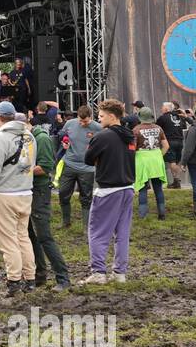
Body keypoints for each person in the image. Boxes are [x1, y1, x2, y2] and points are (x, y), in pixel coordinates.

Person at [0, 101, 36, 296]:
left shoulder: (1, 138)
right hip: (25, 192)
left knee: (8, 240)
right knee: (23, 236)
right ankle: (30, 278)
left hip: (5, 194)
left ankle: (13, 280)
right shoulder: (29, 136)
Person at [82, 99, 135, 285]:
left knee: (97, 232)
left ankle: (98, 273)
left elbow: (88, 159)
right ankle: (120, 273)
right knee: (122, 234)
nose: (99, 118)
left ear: (112, 116)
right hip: (128, 189)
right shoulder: (130, 136)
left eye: (101, 116)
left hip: (108, 191)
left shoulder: (102, 136)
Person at [27, 120, 70, 290]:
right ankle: (40, 275)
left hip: (40, 191)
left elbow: (45, 167)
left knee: (44, 236)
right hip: (29, 190)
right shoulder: (30, 138)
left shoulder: (41, 139)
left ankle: (63, 278)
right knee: (30, 235)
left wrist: (20, 170)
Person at [57, 105, 101, 228]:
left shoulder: (98, 128)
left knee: (86, 198)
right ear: (77, 117)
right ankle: (66, 222)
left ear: (90, 117)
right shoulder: (70, 124)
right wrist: (65, 141)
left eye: (85, 121)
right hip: (69, 164)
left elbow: (104, 144)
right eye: (80, 121)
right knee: (63, 193)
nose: (82, 124)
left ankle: (87, 227)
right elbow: (63, 135)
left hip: (87, 168)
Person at [133, 108, 168, 219]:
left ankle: (143, 216)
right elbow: (166, 146)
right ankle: (162, 214)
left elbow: (132, 148)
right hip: (156, 159)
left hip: (142, 160)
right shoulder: (159, 128)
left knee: (143, 188)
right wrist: (158, 155)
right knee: (158, 188)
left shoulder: (136, 130)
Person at [158, 102, 189, 189]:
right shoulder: (179, 117)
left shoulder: (163, 118)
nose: (161, 109)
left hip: (170, 142)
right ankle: (176, 182)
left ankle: (177, 180)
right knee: (175, 162)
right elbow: (183, 126)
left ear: (167, 109)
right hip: (180, 141)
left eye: (162, 107)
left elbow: (156, 128)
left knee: (172, 162)